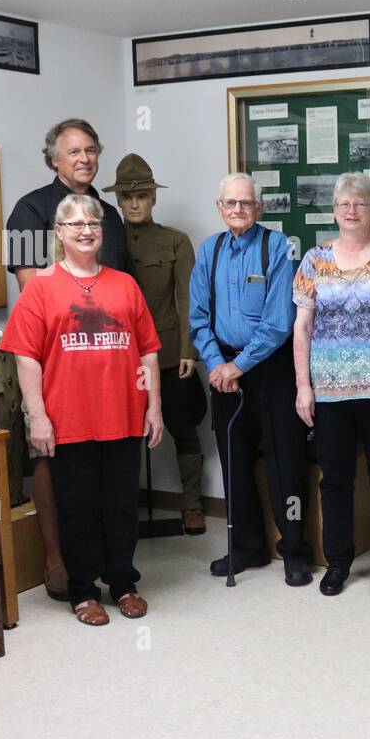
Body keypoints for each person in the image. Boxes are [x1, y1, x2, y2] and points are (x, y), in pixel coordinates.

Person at [0, 194, 164, 626]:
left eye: (92, 222)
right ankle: (83, 590)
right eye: (75, 224)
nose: (86, 230)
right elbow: (26, 357)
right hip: (68, 421)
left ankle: (124, 583)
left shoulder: (124, 284)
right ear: (59, 233)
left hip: (124, 417)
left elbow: (147, 351)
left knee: (120, 506)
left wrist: (154, 407)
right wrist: (38, 415)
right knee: (77, 507)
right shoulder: (41, 287)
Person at [4, 118, 133, 602]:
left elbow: (122, 284)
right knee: (52, 456)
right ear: (53, 159)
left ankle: (109, 564)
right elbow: (30, 289)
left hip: (108, 362)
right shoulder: (27, 210)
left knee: (108, 466)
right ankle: (57, 560)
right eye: (73, 151)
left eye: (91, 150)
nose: (84, 159)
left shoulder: (110, 215)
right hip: (53, 361)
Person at [293, 172, 370, 597]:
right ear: (334, 210)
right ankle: (339, 561)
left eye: (360, 203)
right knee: (335, 480)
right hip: (329, 392)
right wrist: (303, 386)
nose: (351, 210)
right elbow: (303, 327)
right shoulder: (314, 259)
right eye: (344, 204)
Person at [189, 173, 313, 586]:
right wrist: (215, 365)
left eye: (246, 203)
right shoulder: (210, 251)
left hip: (271, 368)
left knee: (286, 462)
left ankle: (295, 550)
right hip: (224, 371)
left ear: (259, 208)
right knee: (233, 461)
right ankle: (246, 547)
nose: (238, 209)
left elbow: (280, 322)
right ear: (219, 208)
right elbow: (198, 319)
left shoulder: (277, 247)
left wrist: (237, 366)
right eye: (230, 203)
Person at [103, 154, 207, 536]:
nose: (134, 203)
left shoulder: (175, 241)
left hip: (165, 354)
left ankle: (192, 505)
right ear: (117, 200)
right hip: (116, 355)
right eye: (127, 197)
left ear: (153, 198)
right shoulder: (101, 240)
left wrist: (187, 351)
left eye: (142, 196)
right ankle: (121, 511)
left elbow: (188, 300)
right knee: (120, 434)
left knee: (183, 426)